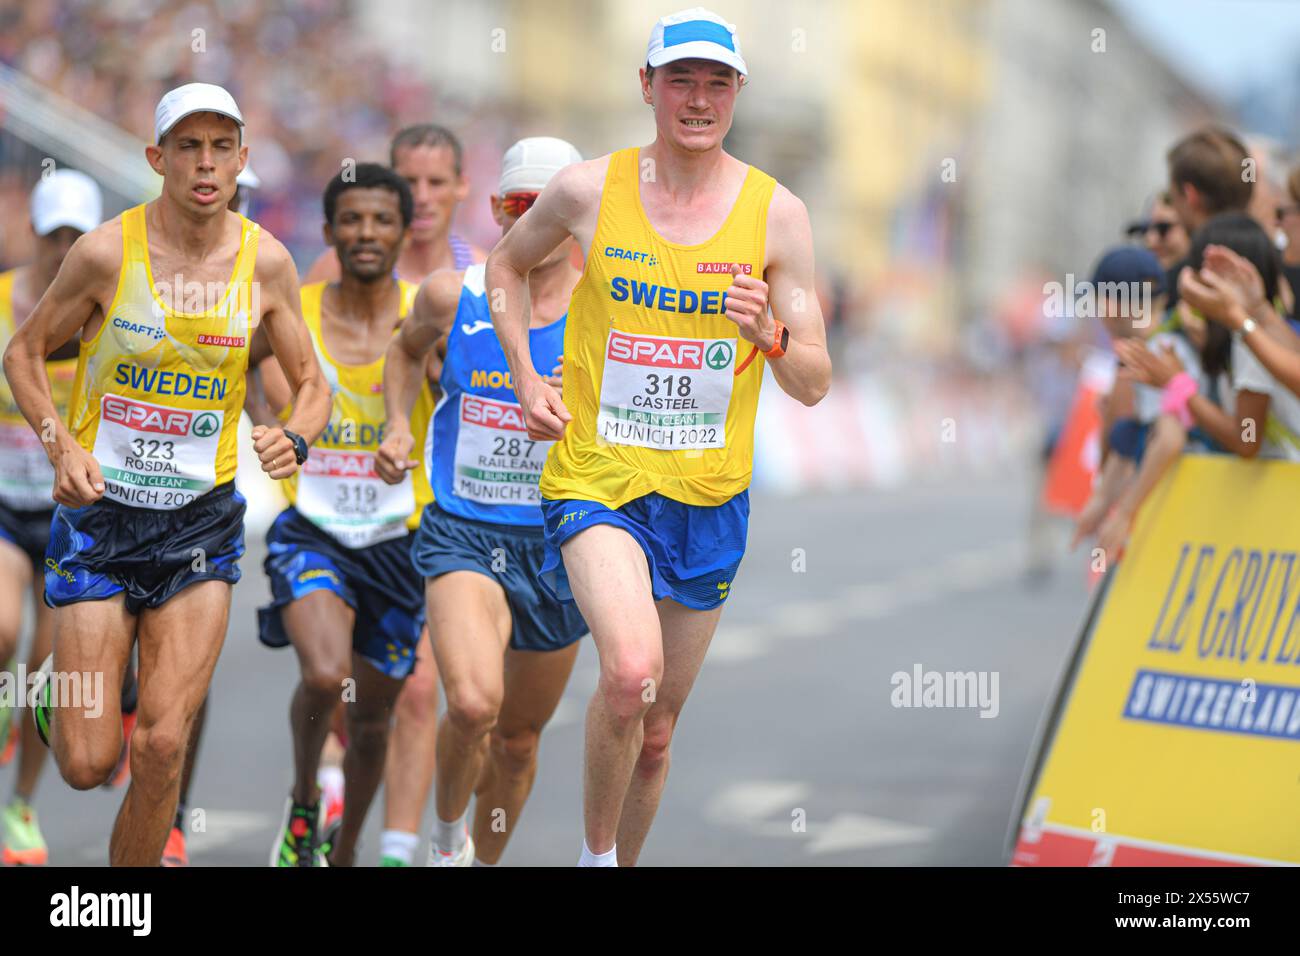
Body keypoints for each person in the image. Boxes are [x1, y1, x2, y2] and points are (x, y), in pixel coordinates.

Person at [484, 8, 831, 865]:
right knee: (630, 674)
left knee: (659, 729)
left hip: (708, 497)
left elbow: (815, 381)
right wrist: (528, 377)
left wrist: (771, 339)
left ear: (738, 93)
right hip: (598, 478)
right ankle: (594, 857)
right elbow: (505, 265)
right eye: (681, 80)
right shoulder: (586, 191)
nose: (699, 99)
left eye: (718, 83)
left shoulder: (776, 216)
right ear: (648, 87)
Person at [3, 82, 330, 867]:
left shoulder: (268, 264)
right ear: (157, 159)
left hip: (198, 524)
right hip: (101, 517)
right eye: (188, 146)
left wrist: (296, 437)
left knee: (158, 745)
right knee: (86, 765)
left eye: (222, 146)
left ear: (244, 158)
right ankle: (50, 696)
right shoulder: (106, 251)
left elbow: (313, 384)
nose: (206, 162)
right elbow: (22, 354)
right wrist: (61, 446)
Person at [377, 136, 588, 866]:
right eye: (514, 205)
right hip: (463, 532)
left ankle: (483, 861)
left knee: (519, 741)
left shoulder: (606, 311)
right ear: (497, 210)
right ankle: (443, 840)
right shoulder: (451, 295)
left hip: (564, 541)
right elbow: (403, 352)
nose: (528, 219)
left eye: (546, 207)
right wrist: (393, 427)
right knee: (470, 703)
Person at [302, 124, 484, 864]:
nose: (425, 197)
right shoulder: (328, 263)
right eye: (411, 181)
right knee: (342, 682)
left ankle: (398, 851)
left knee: (418, 690)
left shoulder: (474, 277)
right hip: (333, 514)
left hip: (437, 511)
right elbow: (291, 367)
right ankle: (324, 791)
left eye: (439, 183)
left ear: (460, 190)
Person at [258, 163, 434, 867]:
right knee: (328, 676)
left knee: (371, 723)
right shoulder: (290, 308)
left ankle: (345, 851)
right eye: (352, 220)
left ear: (404, 231)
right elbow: (230, 359)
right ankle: (305, 801)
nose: (366, 233)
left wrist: (411, 438)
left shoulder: (430, 311)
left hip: (399, 541)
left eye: (382, 220)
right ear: (329, 231)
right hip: (315, 531)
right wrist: (265, 422)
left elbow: (475, 395)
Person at [159, 160, 267, 868]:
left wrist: (291, 435)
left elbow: (269, 387)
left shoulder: (260, 282)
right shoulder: (137, 260)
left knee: (189, 688)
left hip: (203, 512)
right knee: (103, 718)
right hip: (115, 502)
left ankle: (169, 822)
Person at [0, 169, 103, 866]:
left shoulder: (106, 310)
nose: (64, 244)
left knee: (46, 676)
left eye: (77, 234)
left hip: (71, 514)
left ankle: (20, 807)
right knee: (4, 630)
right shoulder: (5, 302)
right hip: (6, 503)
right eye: (54, 232)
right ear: (34, 231)